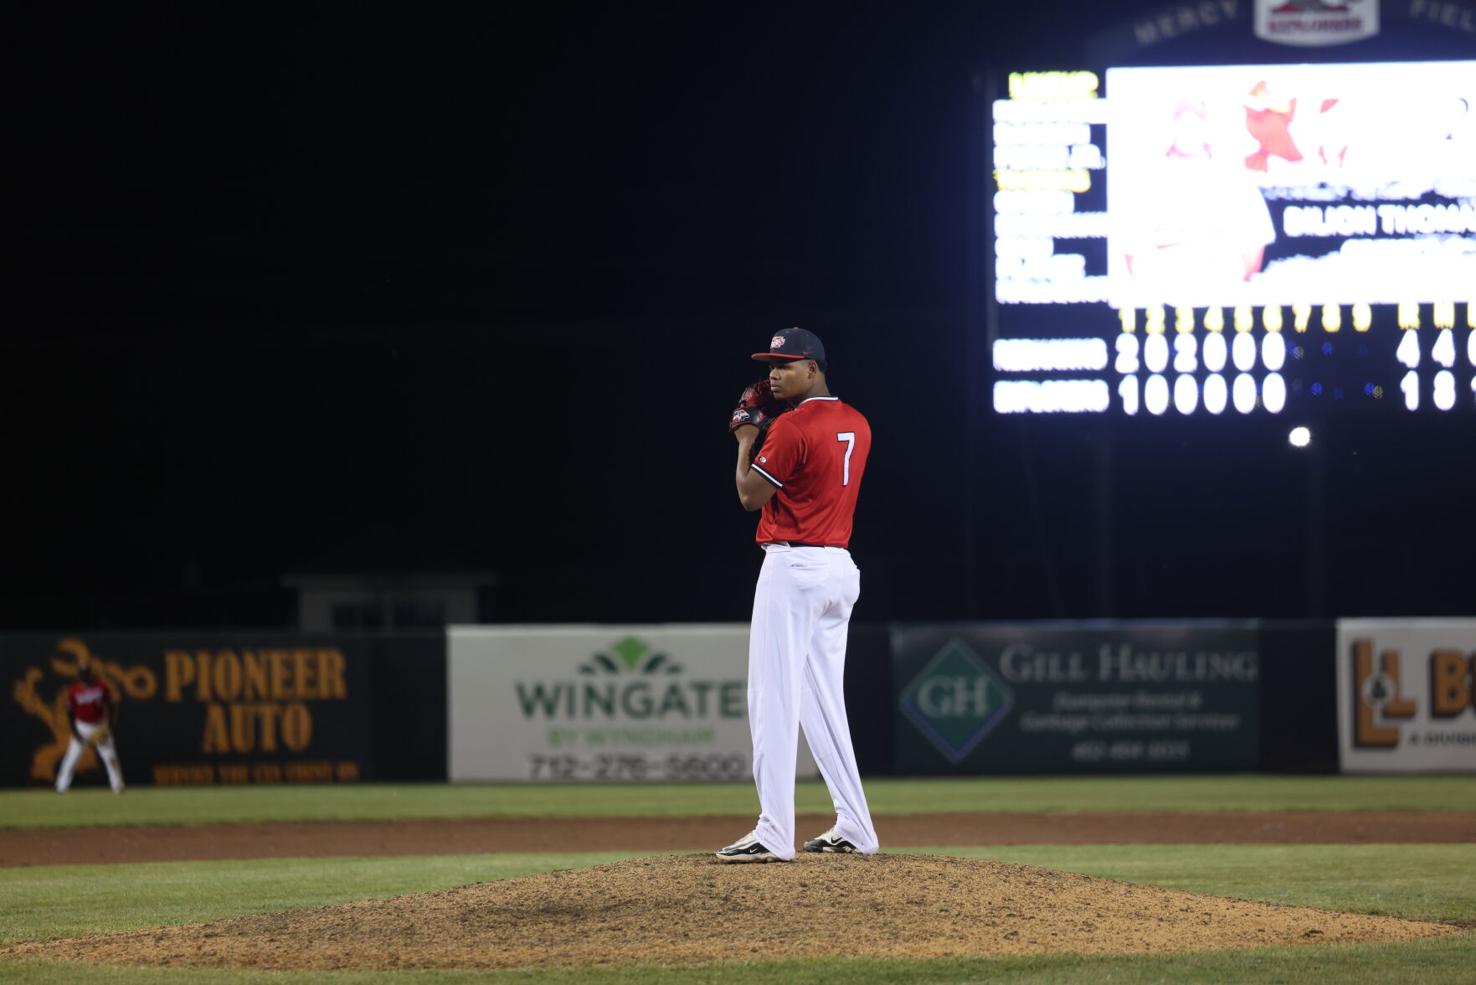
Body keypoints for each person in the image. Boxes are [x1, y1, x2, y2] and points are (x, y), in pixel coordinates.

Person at [717, 327, 879, 862]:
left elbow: (748, 496)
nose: (773, 373)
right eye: (770, 364)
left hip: (793, 566)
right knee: (821, 700)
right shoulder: (856, 420)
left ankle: (772, 831)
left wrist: (745, 440)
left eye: (786, 364)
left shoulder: (789, 428)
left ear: (814, 368)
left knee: (772, 698)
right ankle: (856, 826)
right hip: (840, 569)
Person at [55, 654, 126, 794]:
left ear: (90, 672)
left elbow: (111, 705)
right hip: (82, 726)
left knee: (110, 757)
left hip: (100, 725)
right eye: (82, 673)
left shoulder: (101, 686)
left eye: (86, 672)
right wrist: (75, 731)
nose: (84, 675)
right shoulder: (74, 690)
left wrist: (110, 725)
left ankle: (118, 786)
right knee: (72, 758)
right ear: (79, 674)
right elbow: (70, 712)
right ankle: (61, 787)